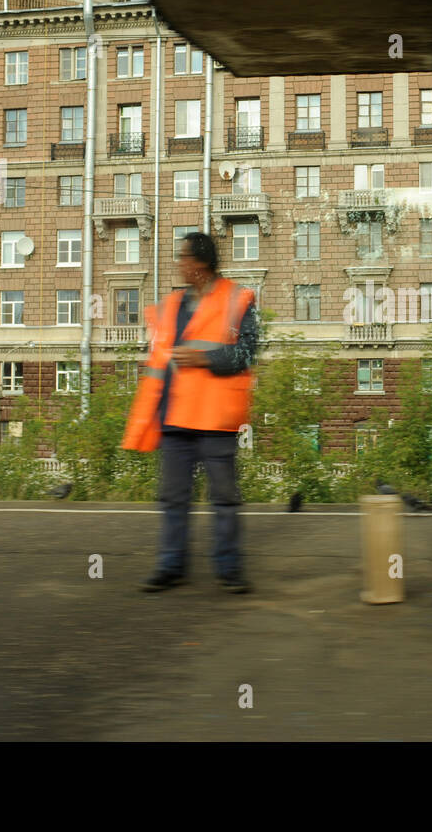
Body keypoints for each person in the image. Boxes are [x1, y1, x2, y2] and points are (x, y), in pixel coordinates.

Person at [121, 231, 258, 593]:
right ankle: (171, 565)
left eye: (184, 258)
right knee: (173, 498)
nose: (179, 264)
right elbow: (159, 361)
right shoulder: (171, 306)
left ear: (201, 263)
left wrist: (203, 358)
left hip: (215, 418)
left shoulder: (238, 299)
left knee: (224, 499)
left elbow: (246, 353)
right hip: (175, 418)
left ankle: (229, 569)